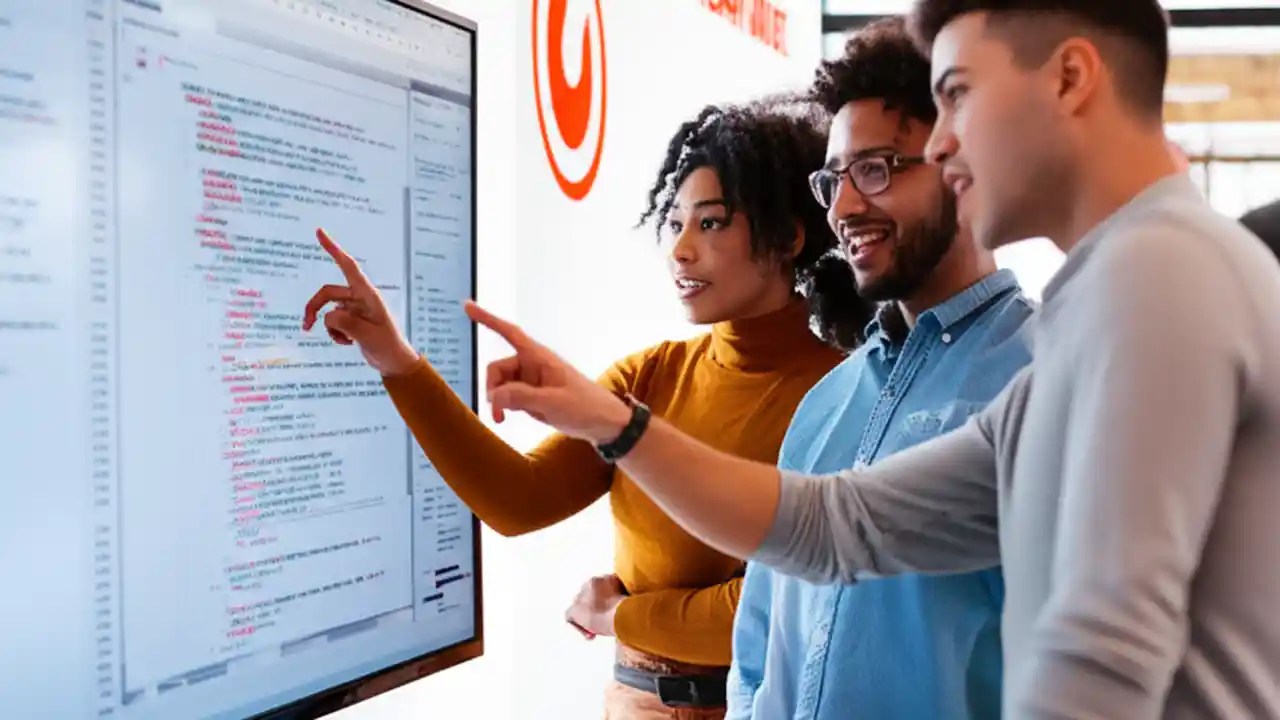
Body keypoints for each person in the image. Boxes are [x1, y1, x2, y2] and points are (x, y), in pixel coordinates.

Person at [451, 1, 1280, 717]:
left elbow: (1104, 661)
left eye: (957, 95)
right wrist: (615, 424)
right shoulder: (1098, 308)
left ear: (1069, 79)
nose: (947, 142)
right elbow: (836, 526)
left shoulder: (1154, 278)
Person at [301, 101, 875, 719]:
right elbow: (517, 501)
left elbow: (775, 609)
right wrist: (397, 361)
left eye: (710, 224)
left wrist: (619, 614)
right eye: (675, 223)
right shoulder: (649, 375)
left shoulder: (843, 392)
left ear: (788, 237)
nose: (680, 250)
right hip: (632, 703)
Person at [727, 18, 1034, 720]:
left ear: (962, 162)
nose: (842, 208)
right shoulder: (824, 403)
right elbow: (757, 651)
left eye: (876, 169)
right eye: (833, 179)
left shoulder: (1048, 376)